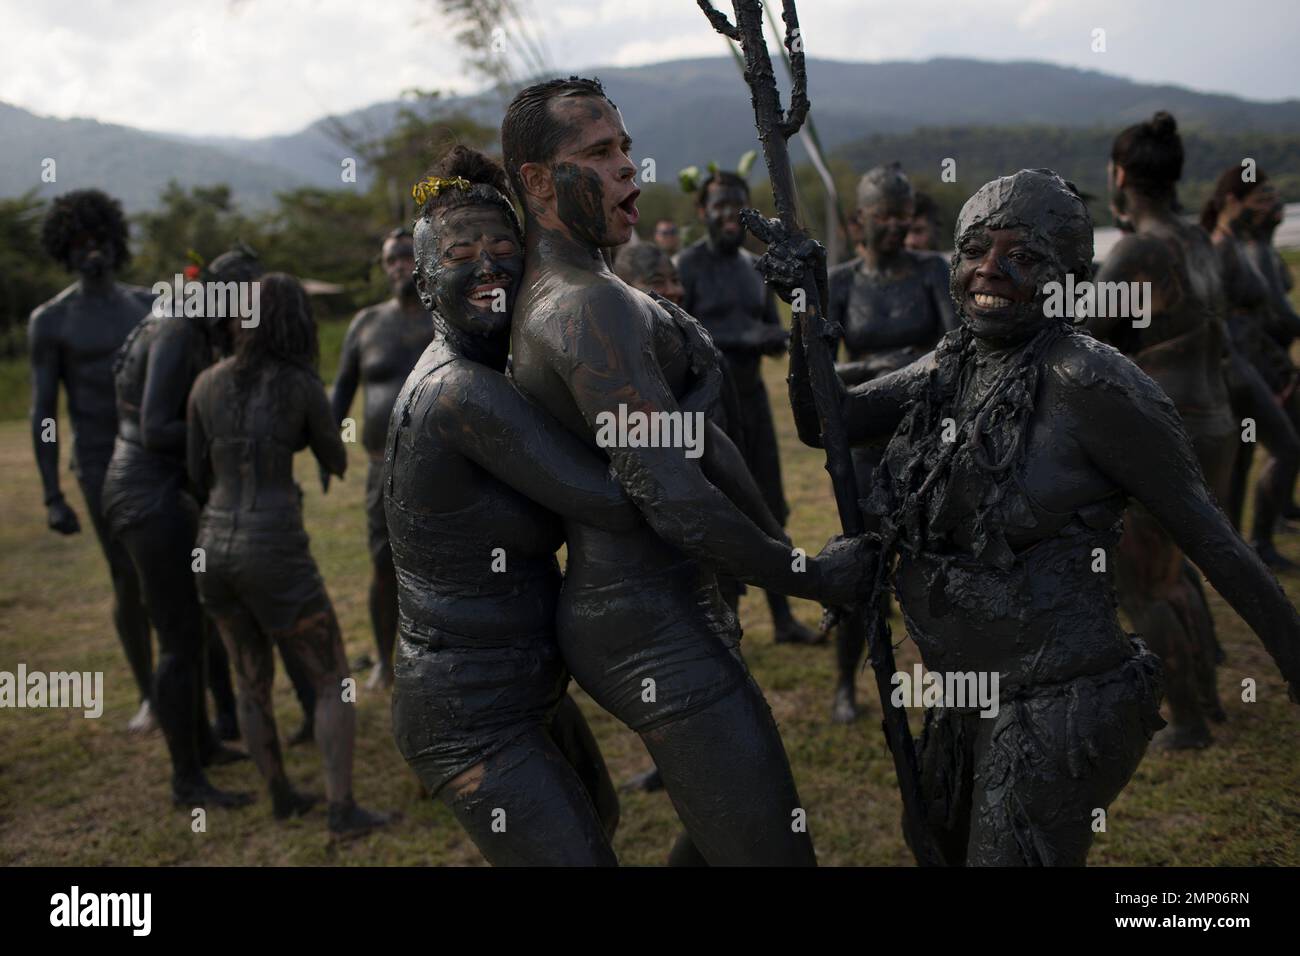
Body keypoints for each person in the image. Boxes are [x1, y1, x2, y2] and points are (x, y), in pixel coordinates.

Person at [775, 167, 1300, 865]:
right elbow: (827, 426)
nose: (988, 270)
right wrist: (806, 311)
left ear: (1070, 281)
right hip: (962, 696)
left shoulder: (1093, 384)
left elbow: (1212, 538)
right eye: (973, 250)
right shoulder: (953, 362)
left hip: (1059, 705)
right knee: (937, 843)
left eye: (1022, 256)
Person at [504, 76, 872, 865]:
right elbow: (670, 495)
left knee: (719, 836)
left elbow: (687, 445)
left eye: (627, 149)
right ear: (536, 180)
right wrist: (813, 575)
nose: (630, 169)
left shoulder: (592, 290)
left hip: (658, 604)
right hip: (648, 624)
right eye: (600, 153)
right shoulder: (582, 306)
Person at [388, 146, 678, 864]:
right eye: (461, 253)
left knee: (600, 819)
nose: (488, 264)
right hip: (468, 710)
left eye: (502, 246)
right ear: (424, 282)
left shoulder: (498, 368)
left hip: (521, 686)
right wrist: (689, 405)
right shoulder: (462, 392)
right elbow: (614, 502)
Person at [187, 273, 390, 835]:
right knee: (331, 680)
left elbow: (195, 471)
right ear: (295, 323)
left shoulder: (205, 383)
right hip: (272, 547)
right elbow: (336, 459)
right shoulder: (298, 384)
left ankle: (279, 794)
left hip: (214, 547)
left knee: (250, 681)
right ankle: (343, 809)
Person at [1087, 112, 1237, 748]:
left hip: (1167, 431)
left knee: (1142, 579)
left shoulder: (1135, 250)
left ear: (1121, 177)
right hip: (1217, 422)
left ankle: (1188, 721)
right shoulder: (1199, 239)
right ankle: (1205, 697)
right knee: (1177, 568)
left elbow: (1086, 339)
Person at [101, 250, 264, 808]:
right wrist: (226, 438)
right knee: (176, 640)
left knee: (191, 634)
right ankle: (185, 780)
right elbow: (153, 426)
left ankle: (202, 747)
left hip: (163, 491)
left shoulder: (189, 321)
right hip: (148, 493)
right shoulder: (175, 329)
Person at [824, 163, 957, 722]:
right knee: (862, 567)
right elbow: (820, 379)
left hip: (927, 444)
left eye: (906, 216)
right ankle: (845, 685)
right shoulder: (841, 284)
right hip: (863, 448)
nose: (899, 227)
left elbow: (958, 350)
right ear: (859, 221)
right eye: (887, 217)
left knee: (936, 567)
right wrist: (887, 366)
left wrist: (898, 371)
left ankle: (942, 683)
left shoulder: (932, 272)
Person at [677, 168, 821, 645]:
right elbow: (682, 341)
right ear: (702, 211)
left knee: (769, 505)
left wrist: (782, 338)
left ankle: (782, 618)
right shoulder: (684, 268)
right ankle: (725, 623)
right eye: (718, 205)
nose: (727, 215)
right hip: (707, 412)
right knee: (723, 509)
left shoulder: (753, 268)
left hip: (753, 403)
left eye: (735, 204)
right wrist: (745, 337)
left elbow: (768, 332)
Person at [30, 190, 155, 732]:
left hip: (157, 457)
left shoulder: (147, 305)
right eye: (79, 245)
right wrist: (52, 494)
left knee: (175, 576)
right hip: (98, 462)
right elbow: (43, 411)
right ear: (65, 251)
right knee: (127, 578)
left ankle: (192, 689)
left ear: (115, 241)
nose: (92, 253)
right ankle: (151, 696)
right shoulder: (51, 321)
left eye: (99, 241)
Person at [329, 228, 433, 689]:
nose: (396, 266)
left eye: (405, 257)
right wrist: (325, 448)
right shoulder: (366, 323)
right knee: (381, 562)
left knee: (440, 561)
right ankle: (382, 660)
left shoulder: (444, 315)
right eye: (389, 259)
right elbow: (342, 390)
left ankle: (438, 654)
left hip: (443, 465)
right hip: (380, 466)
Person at [1200, 168, 1300, 568]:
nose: (1270, 205)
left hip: (1250, 360)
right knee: (1275, 448)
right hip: (1236, 365)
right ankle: (1251, 544)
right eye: (1259, 198)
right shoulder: (1217, 248)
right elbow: (1212, 316)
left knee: (1243, 456)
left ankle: (1244, 546)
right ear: (1231, 201)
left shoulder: (1238, 245)